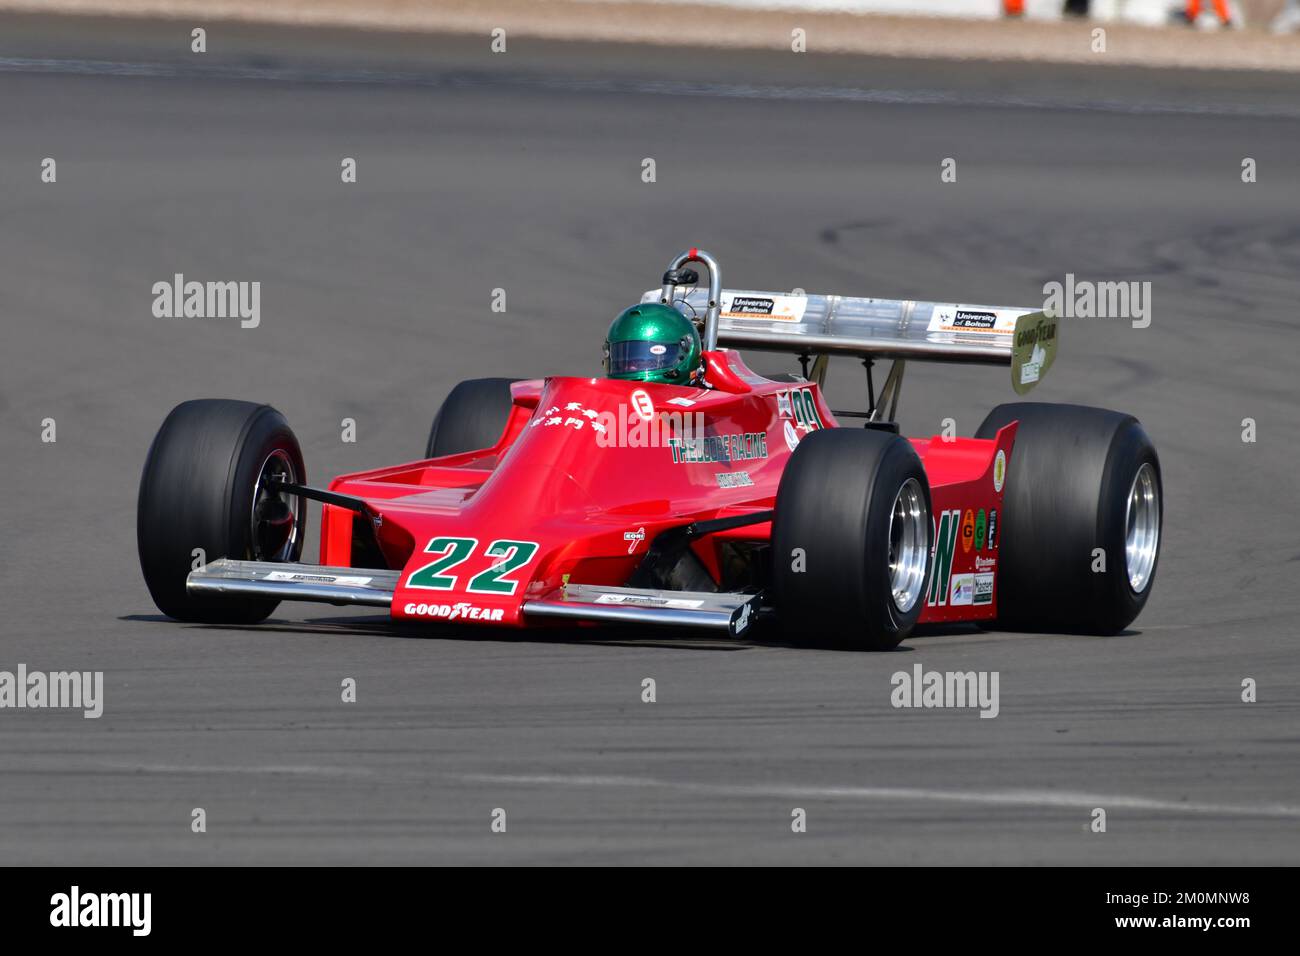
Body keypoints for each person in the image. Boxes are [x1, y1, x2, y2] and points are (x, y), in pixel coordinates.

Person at [603, 303, 705, 386]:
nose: (632, 369)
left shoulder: (707, 406)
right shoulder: (607, 401)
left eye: (647, 362)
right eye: (627, 364)